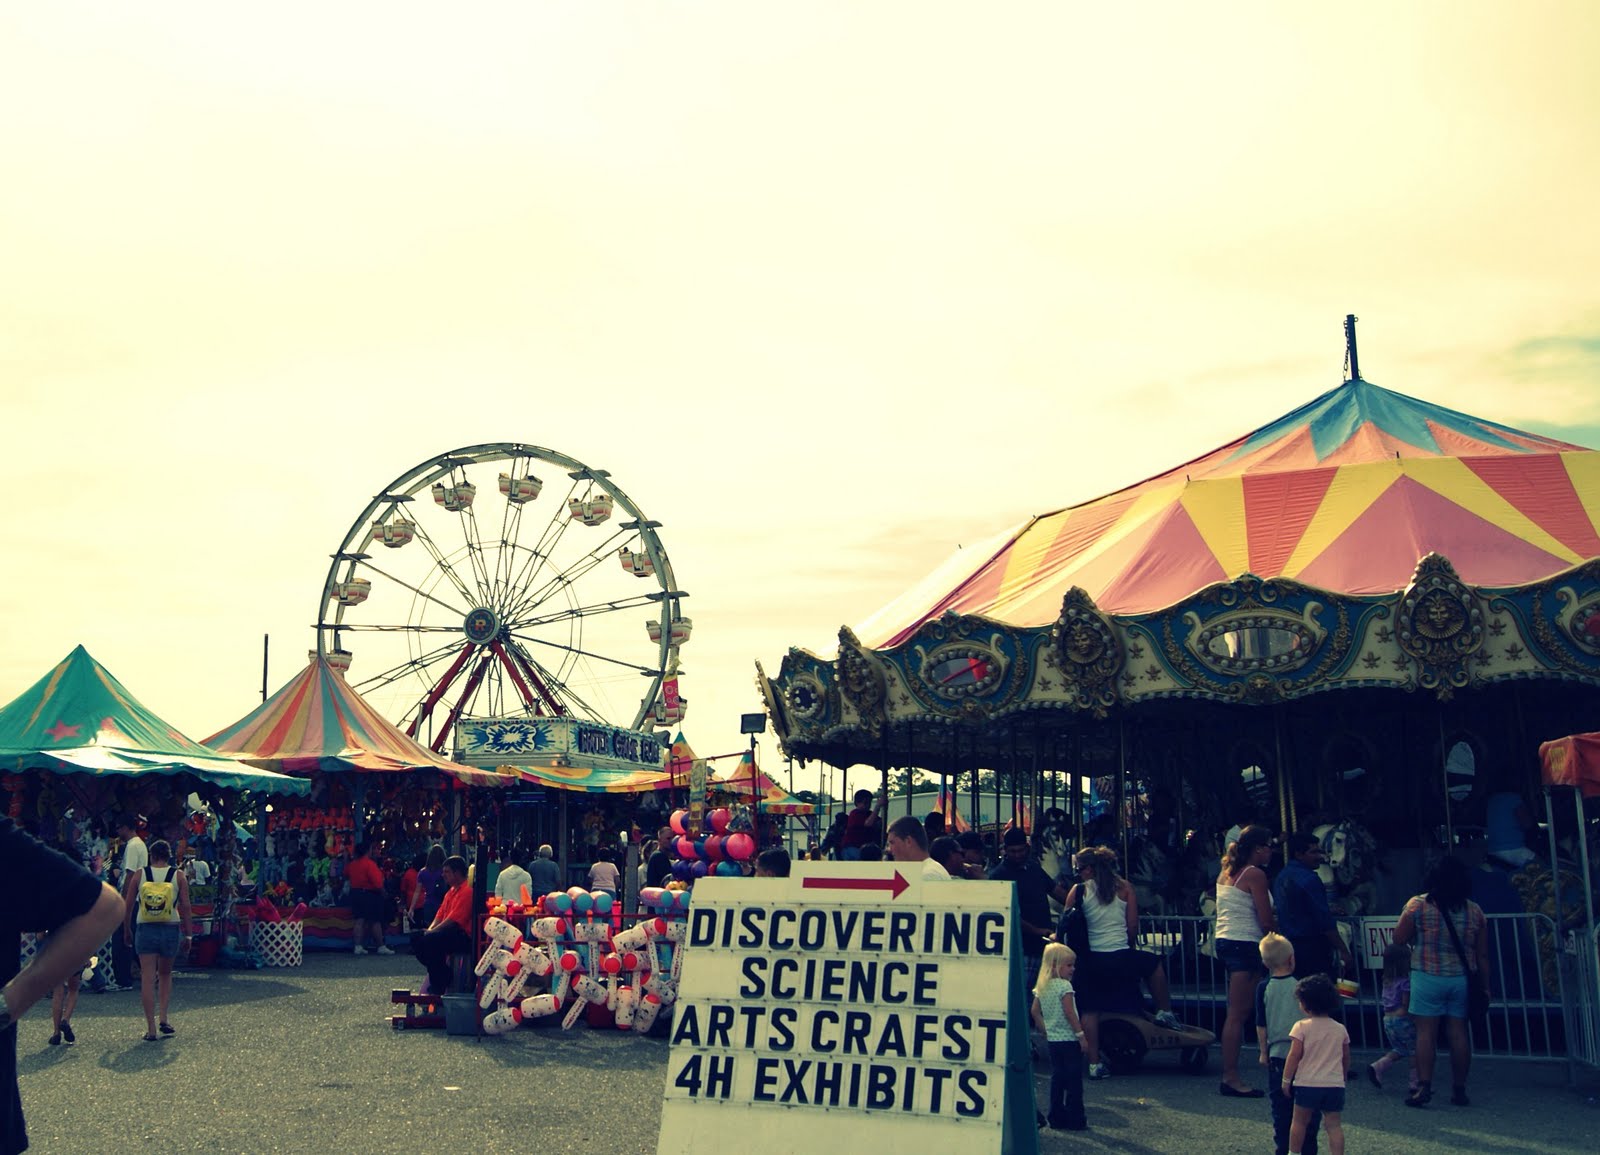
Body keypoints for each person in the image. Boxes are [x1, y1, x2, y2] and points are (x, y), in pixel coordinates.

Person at [2, 816, 124, 1153]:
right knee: (69, 989)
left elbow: (105, 906)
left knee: (67, 989)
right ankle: (61, 1025)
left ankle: (59, 1026)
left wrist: (7, 1003)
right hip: (64, 961)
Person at [1062, 845, 1181, 1081]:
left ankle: (1094, 1064)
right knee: (1153, 964)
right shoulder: (1125, 888)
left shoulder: (1078, 891)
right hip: (1120, 954)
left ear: (1089, 869)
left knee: (1090, 1010)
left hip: (1092, 958)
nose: (1079, 873)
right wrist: (1127, 946)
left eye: (1080, 869)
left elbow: (1066, 923)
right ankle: (1164, 1010)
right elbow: (1133, 926)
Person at [1392, 855, 1488, 1108]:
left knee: (1426, 1033)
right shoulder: (1474, 910)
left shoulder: (1418, 905)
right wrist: (1486, 986)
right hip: (1460, 978)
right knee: (1458, 1033)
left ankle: (1423, 1087)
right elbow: (1483, 954)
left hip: (1427, 974)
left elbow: (1399, 938)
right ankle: (1459, 1088)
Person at [1215, 825, 1278, 1097]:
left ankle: (1232, 1073)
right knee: (1237, 1015)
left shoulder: (1226, 872)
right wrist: (1278, 944)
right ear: (1258, 849)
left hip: (1227, 939)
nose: (1271, 850)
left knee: (1237, 1013)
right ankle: (1230, 1076)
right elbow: (1265, 919)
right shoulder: (1255, 874)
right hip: (1245, 942)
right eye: (1268, 845)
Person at [121, 839, 192, 1042]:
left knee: (147, 977)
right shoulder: (178, 876)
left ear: (151, 856)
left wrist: (126, 928)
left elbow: (128, 904)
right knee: (166, 973)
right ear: (169, 855)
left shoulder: (140, 875)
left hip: (146, 928)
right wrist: (188, 934)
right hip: (170, 928)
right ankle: (164, 1018)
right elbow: (186, 906)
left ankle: (151, 1028)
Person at [1257, 933, 1319, 1155]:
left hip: (1277, 1054)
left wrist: (1263, 1052)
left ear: (1265, 963)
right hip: (1304, 1053)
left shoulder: (1264, 988)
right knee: (1308, 1108)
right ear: (1292, 959)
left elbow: (1261, 1024)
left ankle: (1283, 1149)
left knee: (1281, 1110)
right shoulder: (1301, 987)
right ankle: (1308, 1149)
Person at [990, 828, 1069, 999]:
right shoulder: (998, 875)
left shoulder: (1034, 868)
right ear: (1005, 850)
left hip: (1044, 944)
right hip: (1022, 947)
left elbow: (1056, 892)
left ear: (1027, 848)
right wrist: (1037, 931)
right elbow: (1008, 915)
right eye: (1013, 851)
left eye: (1020, 850)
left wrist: (1077, 900)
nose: (1017, 855)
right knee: (1023, 994)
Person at [1280, 975, 1349, 1155]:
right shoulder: (1340, 1029)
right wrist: (1343, 1077)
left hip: (1307, 1083)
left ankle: (1294, 1153)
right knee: (1334, 1125)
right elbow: (1345, 1057)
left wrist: (1286, 1079)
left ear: (1304, 1003)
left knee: (1299, 1122)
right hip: (1334, 1084)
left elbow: (1294, 1056)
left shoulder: (1301, 1027)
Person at [1274, 832, 1354, 981]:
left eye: (1320, 851)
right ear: (1299, 854)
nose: (1320, 856)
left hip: (1289, 945)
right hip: (1311, 947)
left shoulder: (1282, 876)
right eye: (1314, 852)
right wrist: (1343, 949)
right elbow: (1324, 921)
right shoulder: (1309, 879)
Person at [1030, 942, 1088, 1132]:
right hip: (1070, 1039)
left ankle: (1056, 1115)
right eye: (1069, 965)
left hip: (1054, 1040)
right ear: (1056, 966)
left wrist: (1045, 1028)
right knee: (1074, 1081)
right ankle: (1076, 1118)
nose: (1073, 969)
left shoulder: (1042, 987)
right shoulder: (1065, 986)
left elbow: (1035, 1011)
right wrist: (1081, 1035)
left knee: (1057, 1078)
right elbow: (1070, 1013)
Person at [415, 855, 473, 996]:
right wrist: (429, 931)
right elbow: (439, 916)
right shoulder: (450, 892)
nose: (443, 875)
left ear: (457, 873)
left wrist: (432, 933)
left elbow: (453, 920)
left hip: (462, 935)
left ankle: (440, 982)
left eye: (447, 872)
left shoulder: (467, 892)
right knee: (416, 938)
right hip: (448, 932)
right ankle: (441, 974)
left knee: (431, 940)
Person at [1367, 942, 1418, 1094]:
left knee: (1400, 1049)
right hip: (1402, 1019)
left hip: (1387, 1019)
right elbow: (1406, 1004)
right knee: (1414, 1051)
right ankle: (1415, 1082)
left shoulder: (1387, 980)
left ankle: (1378, 1066)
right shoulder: (1405, 983)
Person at [109, 814, 147, 991]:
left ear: (126, 827)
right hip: (138, 898)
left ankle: (123, 980)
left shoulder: (132, 846)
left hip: (130, 898)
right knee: (132, 937)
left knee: (121, 939)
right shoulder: (140, 844)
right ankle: (148, 972)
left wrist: (124, 899)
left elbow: (130, 874)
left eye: (119, 828)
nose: (117, 831)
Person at [345, 842, 392, 956]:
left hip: (355, 893)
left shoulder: (352, 864)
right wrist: (384, 893)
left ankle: (358, 946)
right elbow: (377, 883)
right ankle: (380, 945)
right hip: (369, 894)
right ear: (367, 851)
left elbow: (346, 874)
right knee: (375, 921)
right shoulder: (369, 864)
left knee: (359, 920)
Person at [1483, 785, 1538, 869]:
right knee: (1544, 870)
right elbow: (1527, 824)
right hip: (1513, 849)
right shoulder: (1514, 798)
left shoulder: (1492, 799)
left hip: (1492, 849)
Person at [884, 816, 950, 880]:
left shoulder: (928, 875)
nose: (889, 849)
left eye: (892, 843)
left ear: (908, 841)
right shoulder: (928, 871)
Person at [408, 844, 447, 931]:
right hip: (442, 903)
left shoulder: (422, 872)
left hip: (428, 904)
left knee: (430, 928)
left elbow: (417, 892)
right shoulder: (444, 872)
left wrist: (411, 908)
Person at [839, 787, 885, 861]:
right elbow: (868, 823)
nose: (868, 805)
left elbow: (880, 823)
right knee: (863, 858)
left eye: (869, 802)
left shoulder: (870, 814)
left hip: (864, 848)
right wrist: (878, 807)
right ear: (857, 803)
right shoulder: (855, 814)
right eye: (865, 803)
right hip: (852, 847)